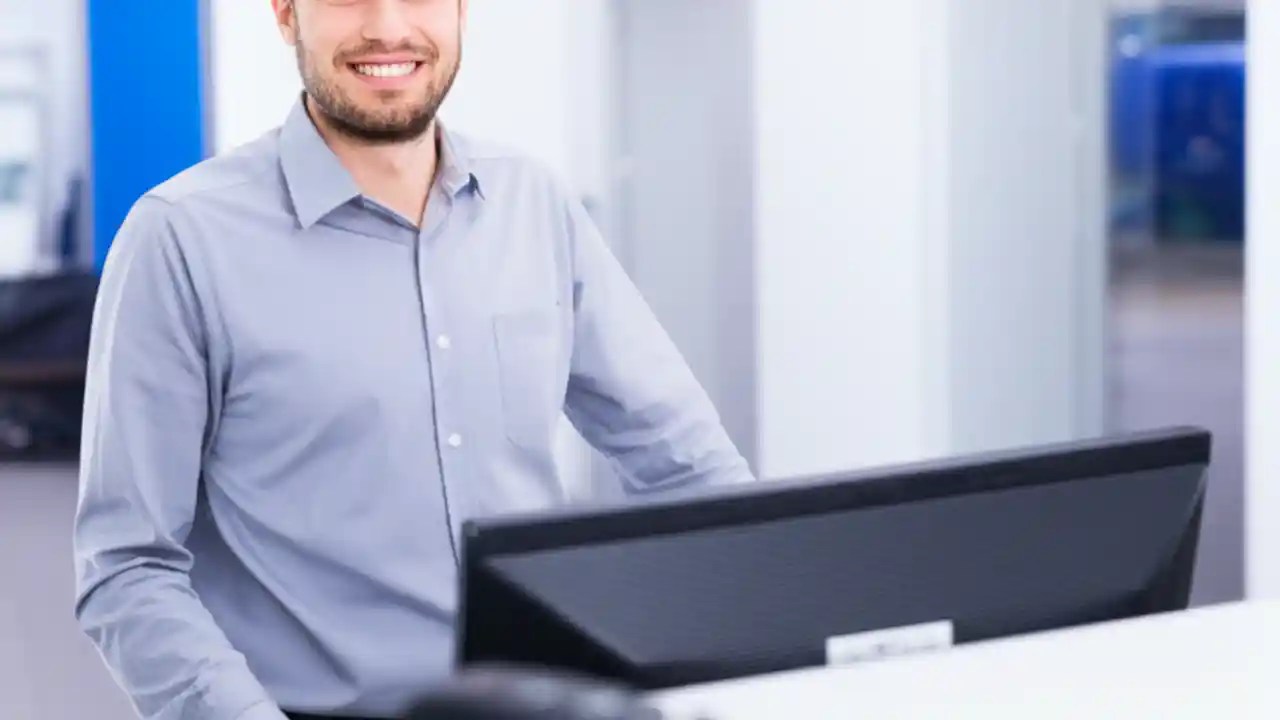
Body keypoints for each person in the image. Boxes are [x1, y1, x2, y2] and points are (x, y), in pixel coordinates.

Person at [72, 1, 753, 719]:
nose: (390, 27)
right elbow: (127, 565)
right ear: (284, 13)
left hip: (538, 701)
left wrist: (778, 649)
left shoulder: (532, 203)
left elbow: (689, 469)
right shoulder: (182, 237)